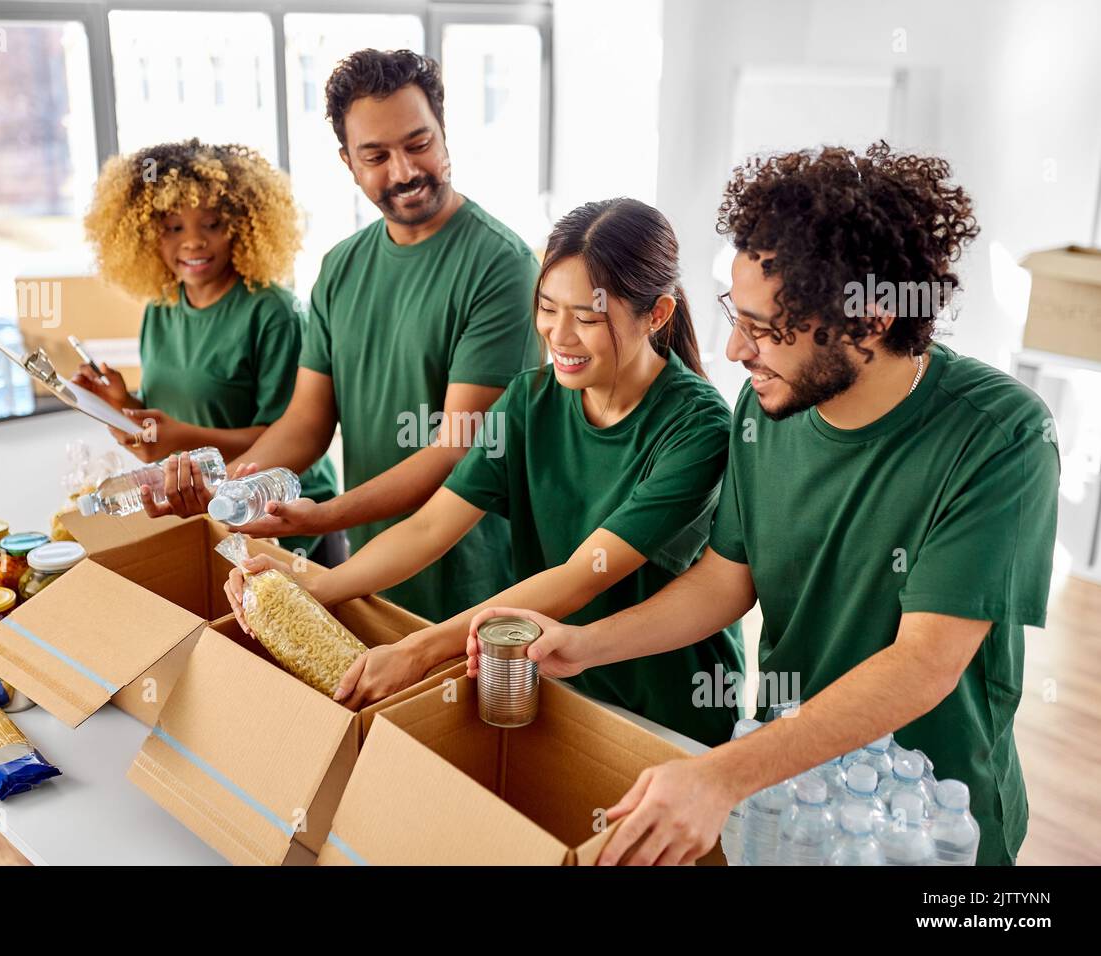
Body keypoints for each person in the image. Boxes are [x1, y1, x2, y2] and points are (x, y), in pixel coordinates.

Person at [469, 142, 1059, 865]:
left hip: (926, 817)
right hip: (788, 792)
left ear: (870, 320)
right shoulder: (763, 408)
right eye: (733, 314)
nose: (735, 349)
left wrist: (720, 774)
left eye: (767, 328)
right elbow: (725, 578)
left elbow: (924, 663)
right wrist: (584, 642)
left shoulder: (1000, 437)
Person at [225, 198, 744, 745]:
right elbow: (430, 527)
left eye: (587, 318)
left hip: (667, 711)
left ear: (656, 314)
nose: (559, 336)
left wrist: (418, 650)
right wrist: (308, 593)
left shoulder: (698, 428)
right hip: (557, 685)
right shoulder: (529, 400)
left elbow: (577, 579)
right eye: (547, 308)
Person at [140, 51, 539, 622]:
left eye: (418, 143)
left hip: (473, 577)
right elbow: (305, 424)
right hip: (372, 563)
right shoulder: (341, 267)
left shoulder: (500, 266)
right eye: (376, 155)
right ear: (348, 163)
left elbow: (457, 449)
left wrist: (322, 517)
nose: (402, 171)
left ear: (445, 136)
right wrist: (226, 487)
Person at [76, 139, 340, 560]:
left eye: (212, 224)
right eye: (174, 227)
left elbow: (292, 435)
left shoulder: (272, 311)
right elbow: (174, 414)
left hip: (279, 516)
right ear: (146, 234)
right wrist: (123, 404)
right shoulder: (162, 309)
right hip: (211, 509)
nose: (194, 242)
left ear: (241, 223)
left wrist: (179, 440)